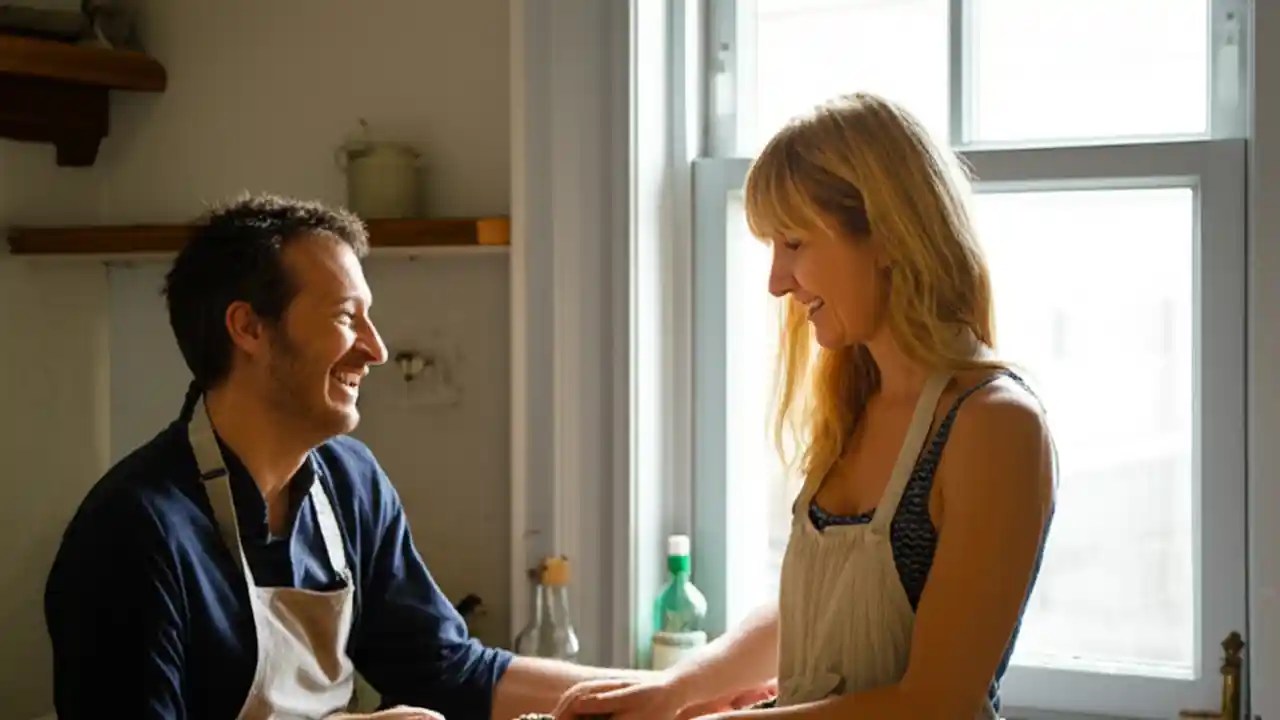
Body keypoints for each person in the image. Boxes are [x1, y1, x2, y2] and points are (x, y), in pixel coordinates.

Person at [43, 194, 646, 720]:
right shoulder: (132, 531)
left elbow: (448, 671)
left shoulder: (350, 482)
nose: (376, 350)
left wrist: (663, 695)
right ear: (248, 329)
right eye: (344, 318)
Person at [556, 92, 1057, 719]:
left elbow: (937, 702)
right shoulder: (855, 404)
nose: (777, 281)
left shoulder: (995, 426)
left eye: (793, 243)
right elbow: (813, 610)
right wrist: (674, 690)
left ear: (888, 237)